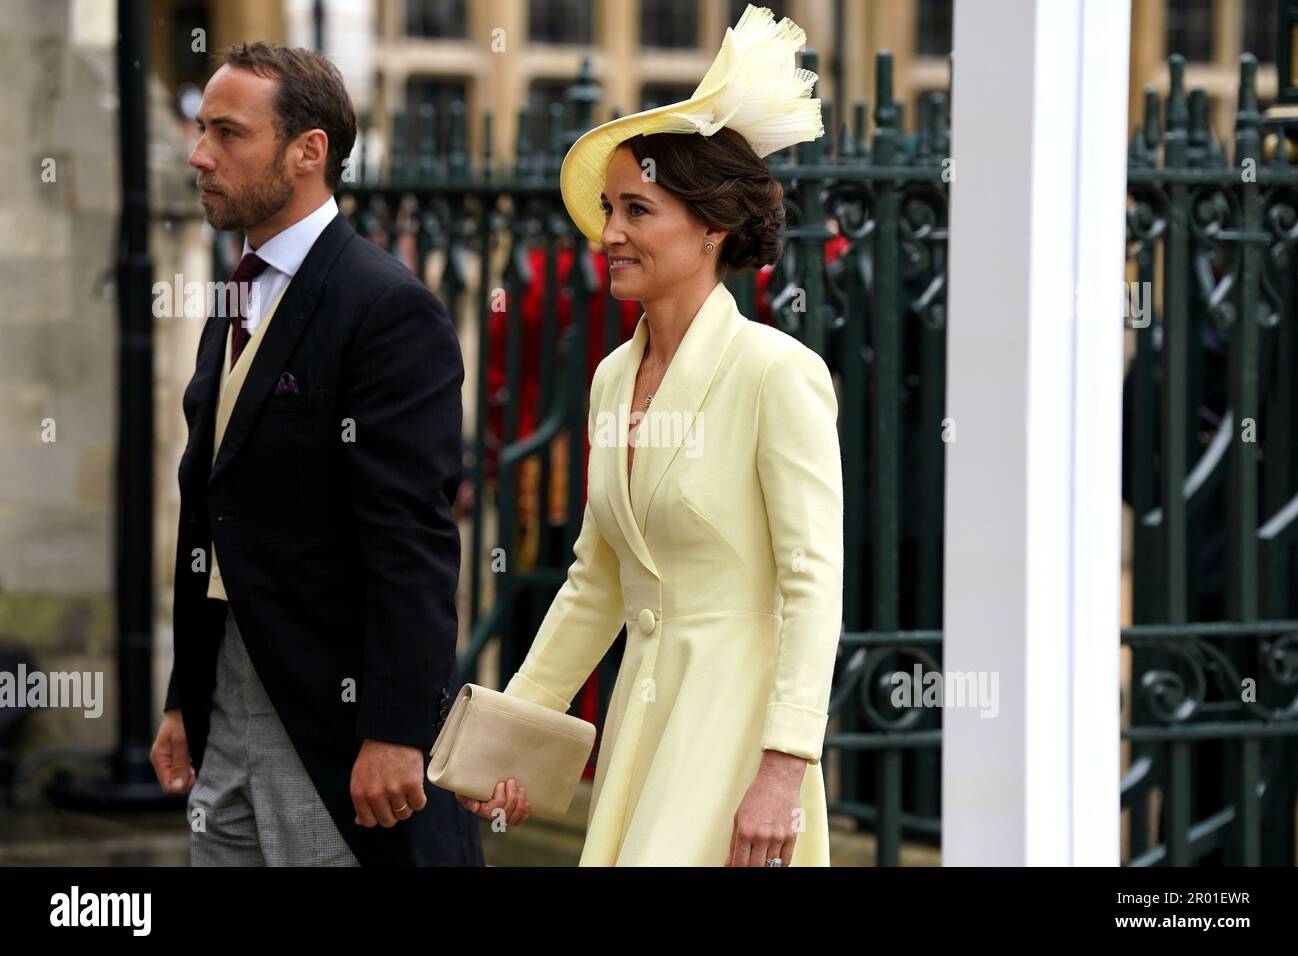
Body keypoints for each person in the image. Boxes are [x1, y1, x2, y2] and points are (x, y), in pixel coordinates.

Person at [456, 4, 843, 867]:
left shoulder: (777, 373)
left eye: (638, 209)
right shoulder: (610, 377)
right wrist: (514, 734)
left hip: (738, 735)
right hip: (642, 721)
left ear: (710, 228)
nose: (612, 232)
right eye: (607, 208)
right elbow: (596, 578)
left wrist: (784, 766)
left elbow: (814, 587)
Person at [149, 41, 483, 866]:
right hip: (224, 697)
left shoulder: (388, 309)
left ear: (309, 152)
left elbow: (412, 536)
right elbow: (211, 505)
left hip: (335, 716)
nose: (199, 155)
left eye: (228, 134)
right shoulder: (239, 292)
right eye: (201, 131)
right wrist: (184, 699)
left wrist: (398, 731)